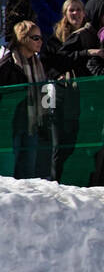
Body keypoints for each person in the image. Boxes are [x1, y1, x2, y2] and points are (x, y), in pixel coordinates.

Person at [0, 21, 73, 178]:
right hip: (9, 127)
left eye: (41, 38)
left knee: (27, 174)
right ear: (23, 38)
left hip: (31, 124)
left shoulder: (38, 63)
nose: (40, 42)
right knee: (8, 174)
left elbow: (45, 89)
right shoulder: (8, 63)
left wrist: (47, 115)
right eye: (35, 38)